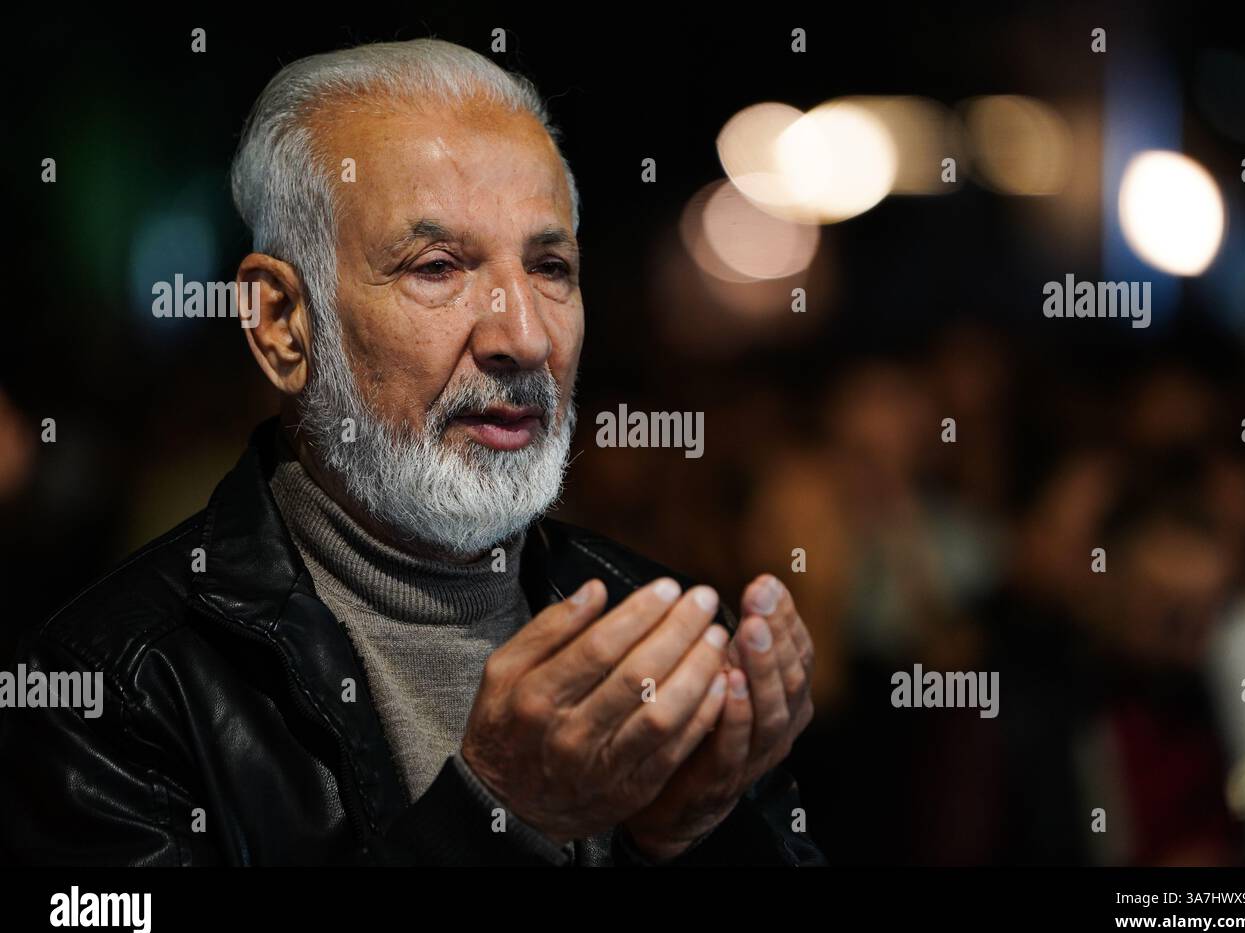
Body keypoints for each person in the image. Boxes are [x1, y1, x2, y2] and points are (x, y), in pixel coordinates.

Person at [0, 38, 821, 866]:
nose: (525, 336)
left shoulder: (661, 637)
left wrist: (689, 835)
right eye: (437, 267)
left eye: (550, 267)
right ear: (283, 323)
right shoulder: (114, 691)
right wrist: (492, 813)